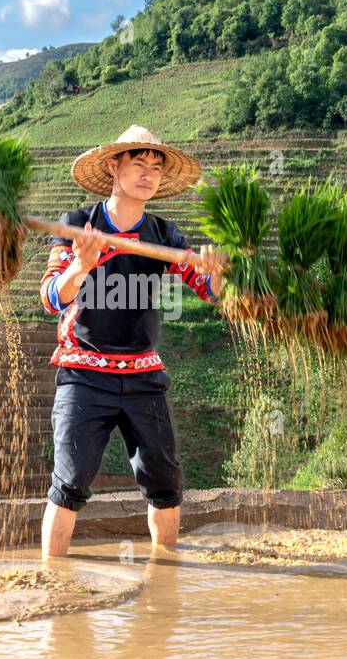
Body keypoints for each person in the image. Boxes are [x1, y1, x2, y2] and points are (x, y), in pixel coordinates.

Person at [39, 125, 224, 558]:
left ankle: (165, 584)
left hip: (143, 375)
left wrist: (214, 271)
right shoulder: (77, 225)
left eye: (155, 167)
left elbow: (207, 290)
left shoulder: (164, 235)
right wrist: (80, 266)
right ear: (113, 167)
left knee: (165, 484)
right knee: (70, 482)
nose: (148, 174)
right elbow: (52, 297)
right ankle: (53, 584)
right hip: (83, 374)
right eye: (138, 164)